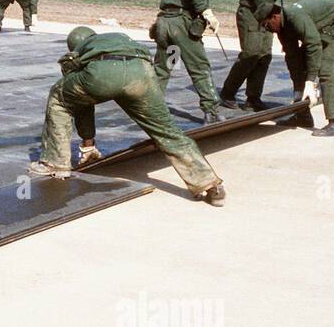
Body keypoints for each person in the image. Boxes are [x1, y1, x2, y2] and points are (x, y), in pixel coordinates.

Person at [30, 26, 226, 205]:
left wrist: (87, 142)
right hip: (142, 74)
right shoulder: (115, 37)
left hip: (103, 73)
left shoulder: (79, 52)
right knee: (167, 130)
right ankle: (210, 184)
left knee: (59, 97)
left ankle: (55, 163)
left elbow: (81, 104)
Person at [257, 0, 334, 137]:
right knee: (301, 62)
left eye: (266, 24)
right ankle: (303, 116)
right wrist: (299, 89)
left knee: (326, 68)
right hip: (324, 27)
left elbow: (314, 45)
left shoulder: (294, 17)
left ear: (275, 17)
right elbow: (293, 57)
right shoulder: (282, 28)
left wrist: (310, 81)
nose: (266, 29)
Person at [220, 0, 295, 110]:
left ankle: (253, 98)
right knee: (251, 54)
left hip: (268, 11)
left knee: (264, 56)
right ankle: (227, 93)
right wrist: (275, 15)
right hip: (252, 14)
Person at [152, 0, 225, 124]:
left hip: (164, 24)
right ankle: (211, 111)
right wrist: (207, 13)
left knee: (164, 68)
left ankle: (154, 109)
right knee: (199, 68)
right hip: (180, 27)